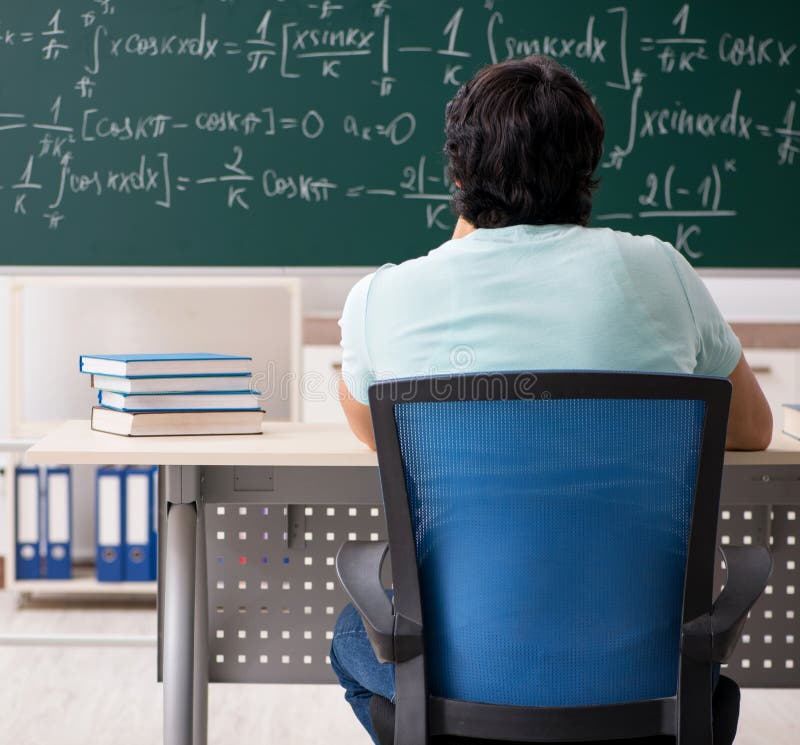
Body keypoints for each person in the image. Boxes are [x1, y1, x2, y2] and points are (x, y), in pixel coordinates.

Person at [329, 55, 772, 744]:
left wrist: (466, 230)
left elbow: (368, 428)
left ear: (456, 172)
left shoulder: (384, 297)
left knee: (351, 637)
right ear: (588, 168)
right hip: (646, 684)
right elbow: (751, 427)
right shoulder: (661, 271)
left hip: (460, 683)